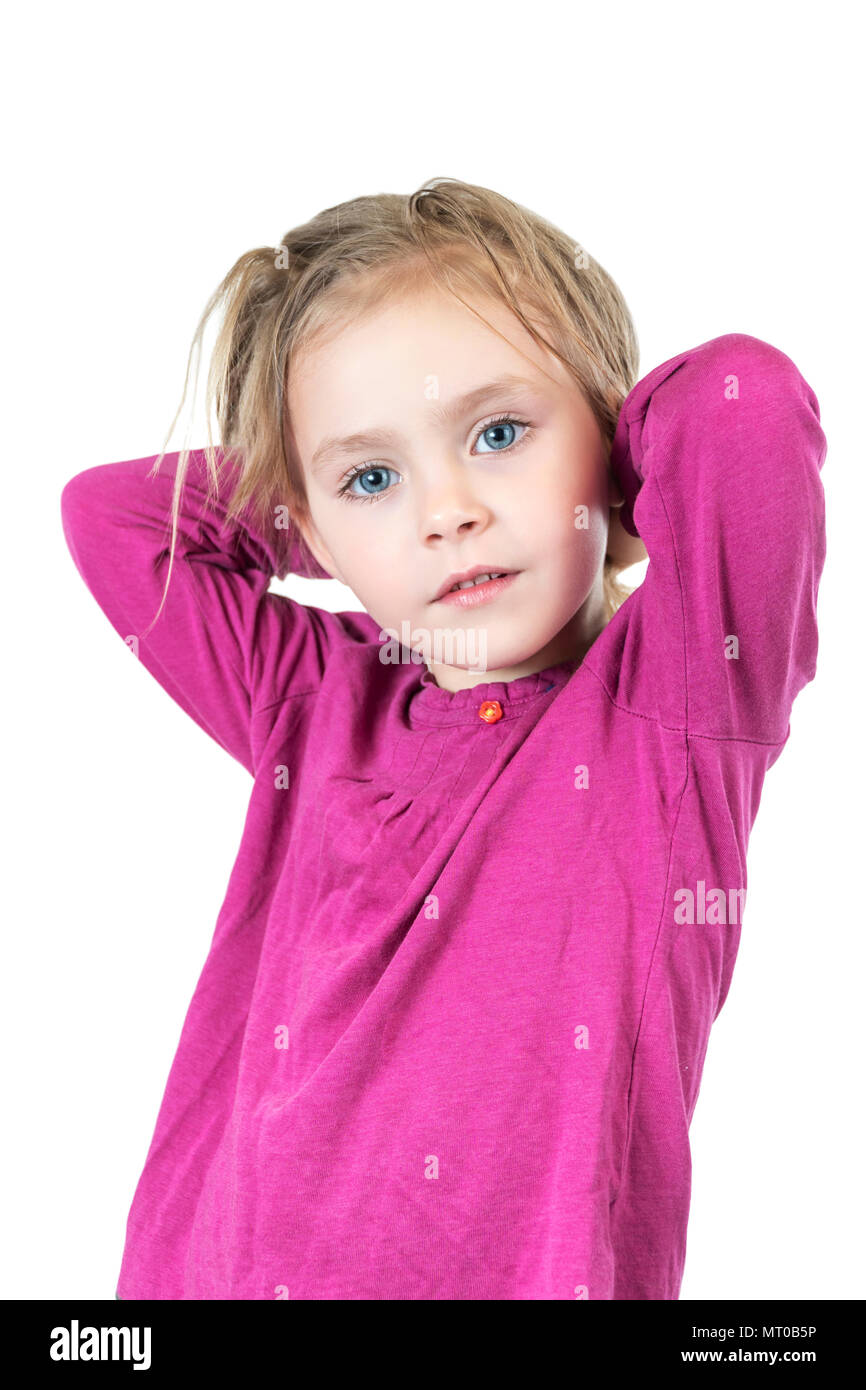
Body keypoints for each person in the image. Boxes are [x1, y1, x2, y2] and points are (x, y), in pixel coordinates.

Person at [61, 177, 826, 1300]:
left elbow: (741, 402)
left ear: (609, 442)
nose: (446, 508)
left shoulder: (671, 715)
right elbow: (111, 520)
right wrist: (334, 514)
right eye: (373, 477)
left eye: (500, 432)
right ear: (307, 526)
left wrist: (597, 484)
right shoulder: (311, 700)